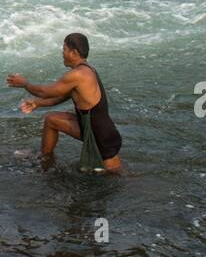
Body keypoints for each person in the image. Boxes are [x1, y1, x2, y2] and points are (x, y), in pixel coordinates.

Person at [6, 32, 122, 169]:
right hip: (91, 128)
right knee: (51, 120)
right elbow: (59, 97)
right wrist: (37, 103)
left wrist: (25, 83)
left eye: (64, 49)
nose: (62, 53)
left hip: (100, 137)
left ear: (73, 52)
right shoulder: (88, 70)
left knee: (117, 176)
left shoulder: (78, 75)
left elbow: (45, 92)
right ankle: (46, 160)